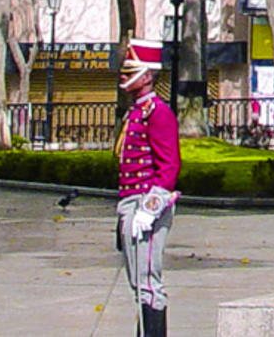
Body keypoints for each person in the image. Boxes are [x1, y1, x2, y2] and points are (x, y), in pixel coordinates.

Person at [116, 38, 180, 337]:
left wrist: (150, 209)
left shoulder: (158, 112)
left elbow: (169, 167)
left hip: (147, 204)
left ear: (147, 76)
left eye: (130, 71)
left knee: (148, 282)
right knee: (137, 282)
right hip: (131, 203)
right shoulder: (138, 111)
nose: (123, 76)